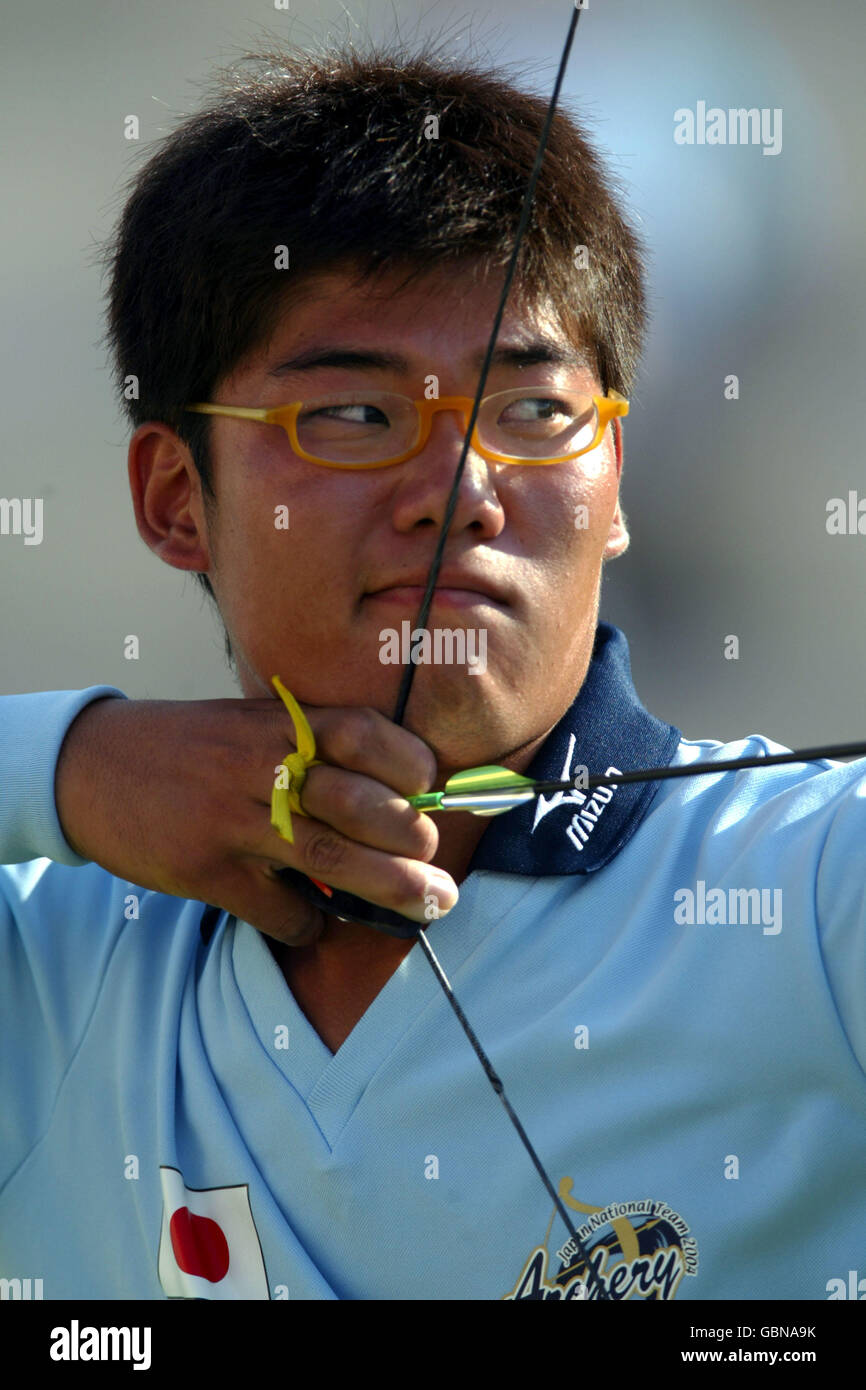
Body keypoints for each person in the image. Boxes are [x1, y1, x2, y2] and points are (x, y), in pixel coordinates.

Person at [1, 41, 863, 1304]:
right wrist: (67, 768)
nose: (460, 496)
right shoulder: (56, 953)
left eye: (531, 415)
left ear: (616, 485)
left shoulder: (806, 888)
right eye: (350, 417)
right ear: (177, 498)